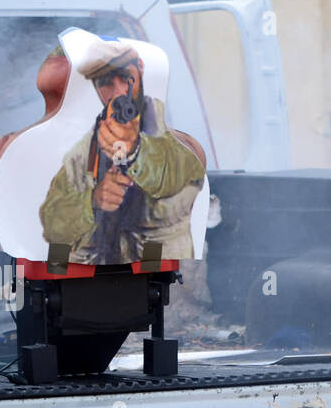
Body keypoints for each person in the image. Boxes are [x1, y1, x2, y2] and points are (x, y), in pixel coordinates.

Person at [39, 39, 207, 264]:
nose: (119, 92)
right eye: (107, 82)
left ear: (140, 68)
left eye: (126, 78)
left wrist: (135, 152)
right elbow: (53, 222)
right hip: (98, 283)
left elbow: (176, 170)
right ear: (97, 87)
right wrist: (92, 201)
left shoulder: (170, 139)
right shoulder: (85, 149)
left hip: (161, 285)